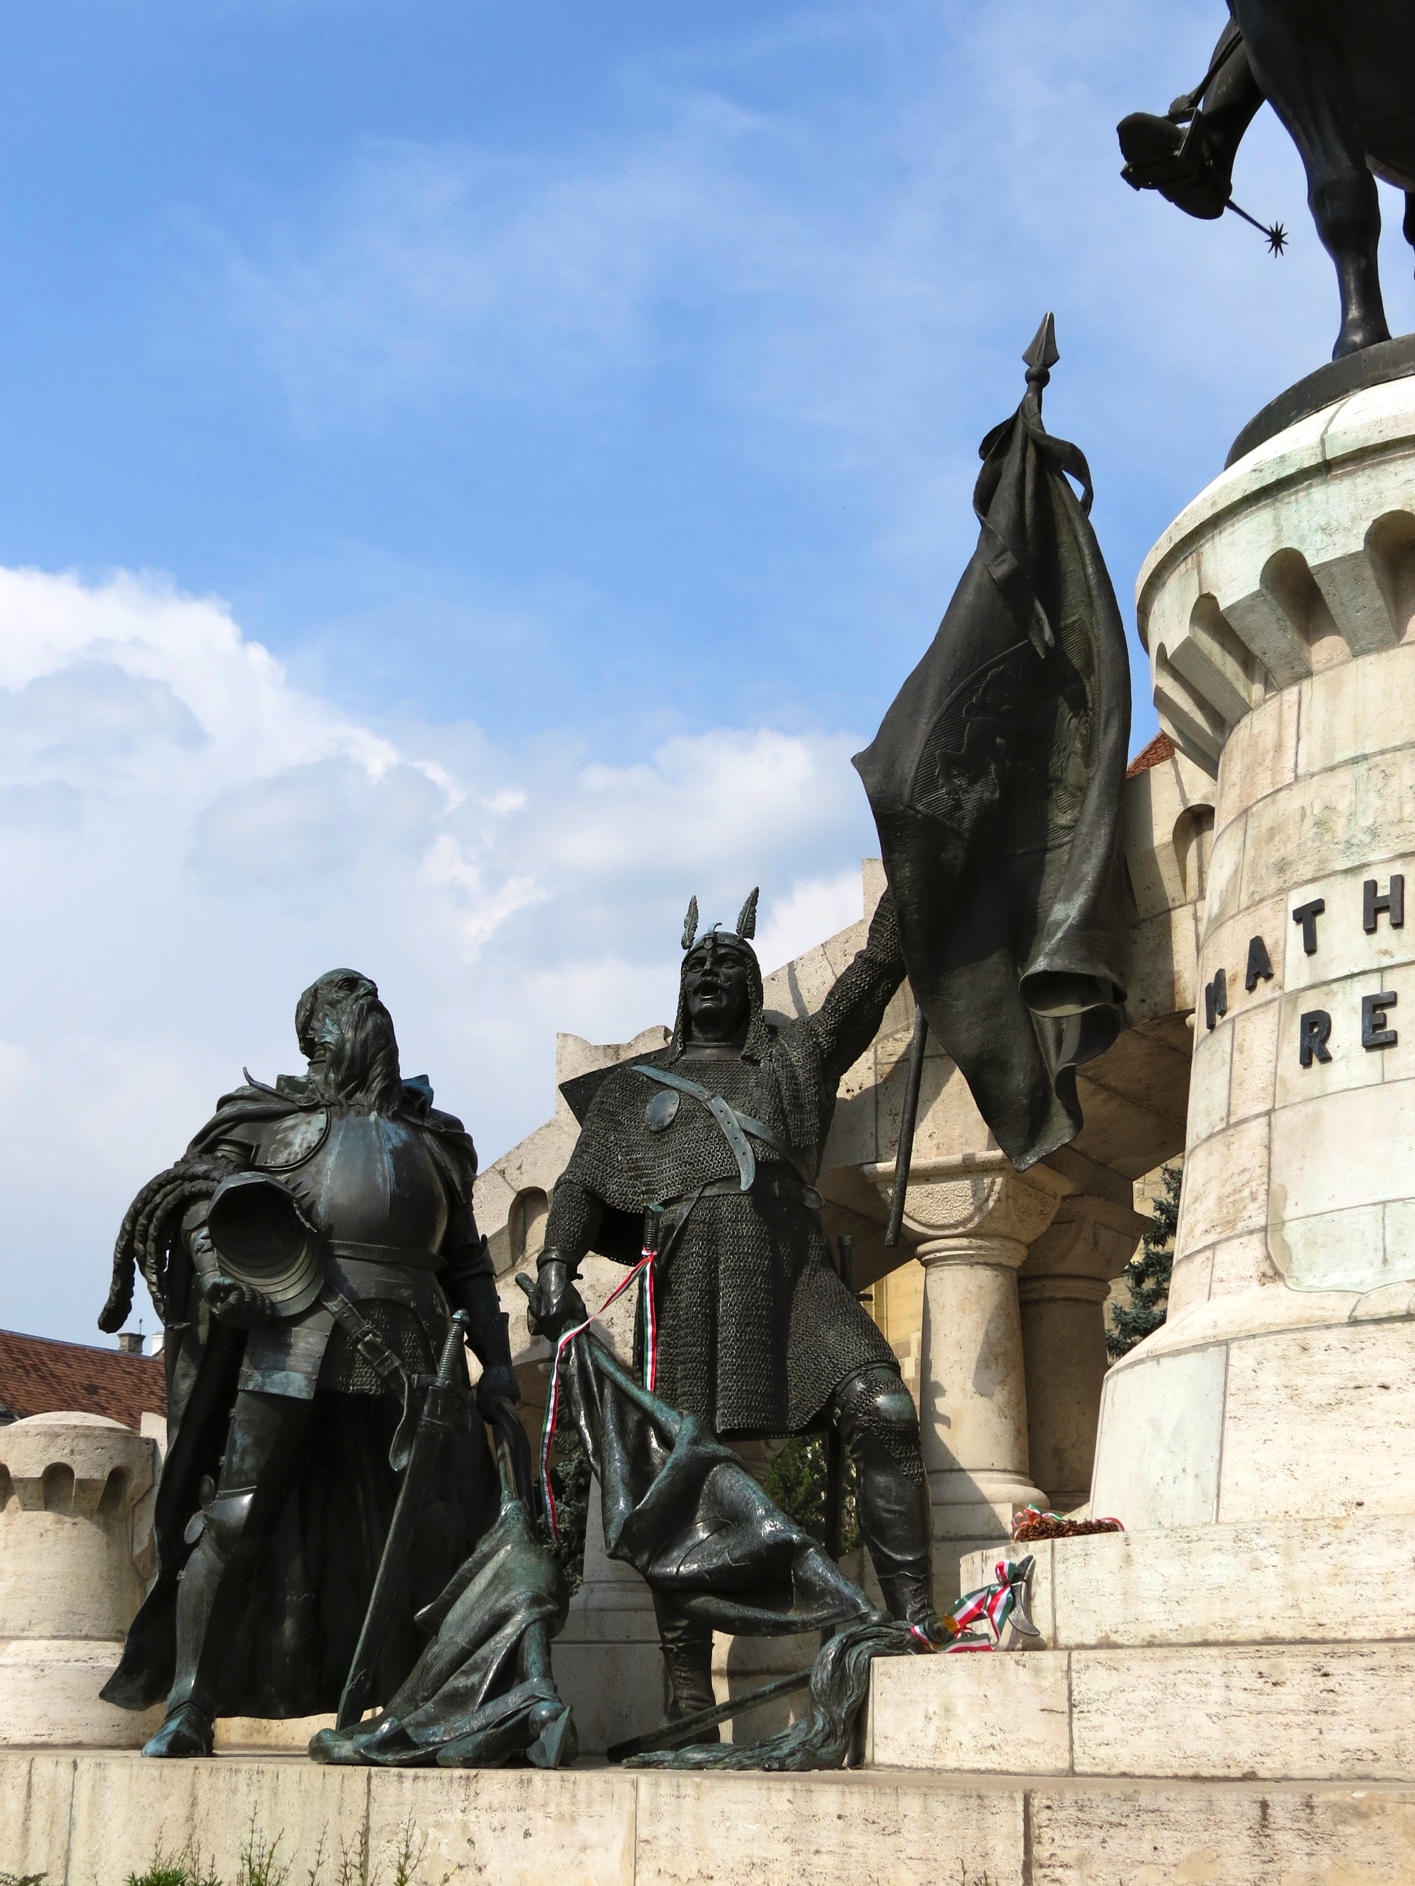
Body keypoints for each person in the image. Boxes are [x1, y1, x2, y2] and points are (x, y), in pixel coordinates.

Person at [528, 888, 936, 1733]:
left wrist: (911, 872)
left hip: (794, 1273)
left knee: (882, 1406)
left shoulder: (794, 1059)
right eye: (695, 963)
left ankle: (913, 1623)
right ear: (679, 992)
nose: (710, 969)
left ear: (752, 987)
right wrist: (554, 1259)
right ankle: (684, 1686)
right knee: (681, 1483)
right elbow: (577, 1186)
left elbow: (870, 976)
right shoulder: (633, 1091)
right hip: (687, 1281)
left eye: (728, 961)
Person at [97, 969, 518, 1757]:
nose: (371, 1017)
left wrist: (495, 1365)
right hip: (296, 1329)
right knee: (240, 1511)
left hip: (420, 1341)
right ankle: (191, 1702)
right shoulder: (261, 1123)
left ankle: (424, 1703)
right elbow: (197, 1204)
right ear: (316, 1033)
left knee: (435, 1524)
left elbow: (468, 1266)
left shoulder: (435, 1138)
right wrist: (221, 1275)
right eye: (351, 1006)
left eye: (376, 1006)